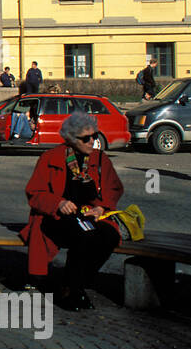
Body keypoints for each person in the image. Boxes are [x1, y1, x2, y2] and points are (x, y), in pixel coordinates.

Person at [19, 111, 124, 311]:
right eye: (86, 138)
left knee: (109, 236)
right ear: (71, 139)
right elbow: (34, 193)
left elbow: (115, 188)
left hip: (90, 214)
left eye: (94, 136)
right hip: (55, 216)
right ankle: (71, 290)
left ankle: (74, 285)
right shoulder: (50, 158)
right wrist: (58, 203)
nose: (92, 141)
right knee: (83, 236)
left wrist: (102, 207)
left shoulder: (101, 159)